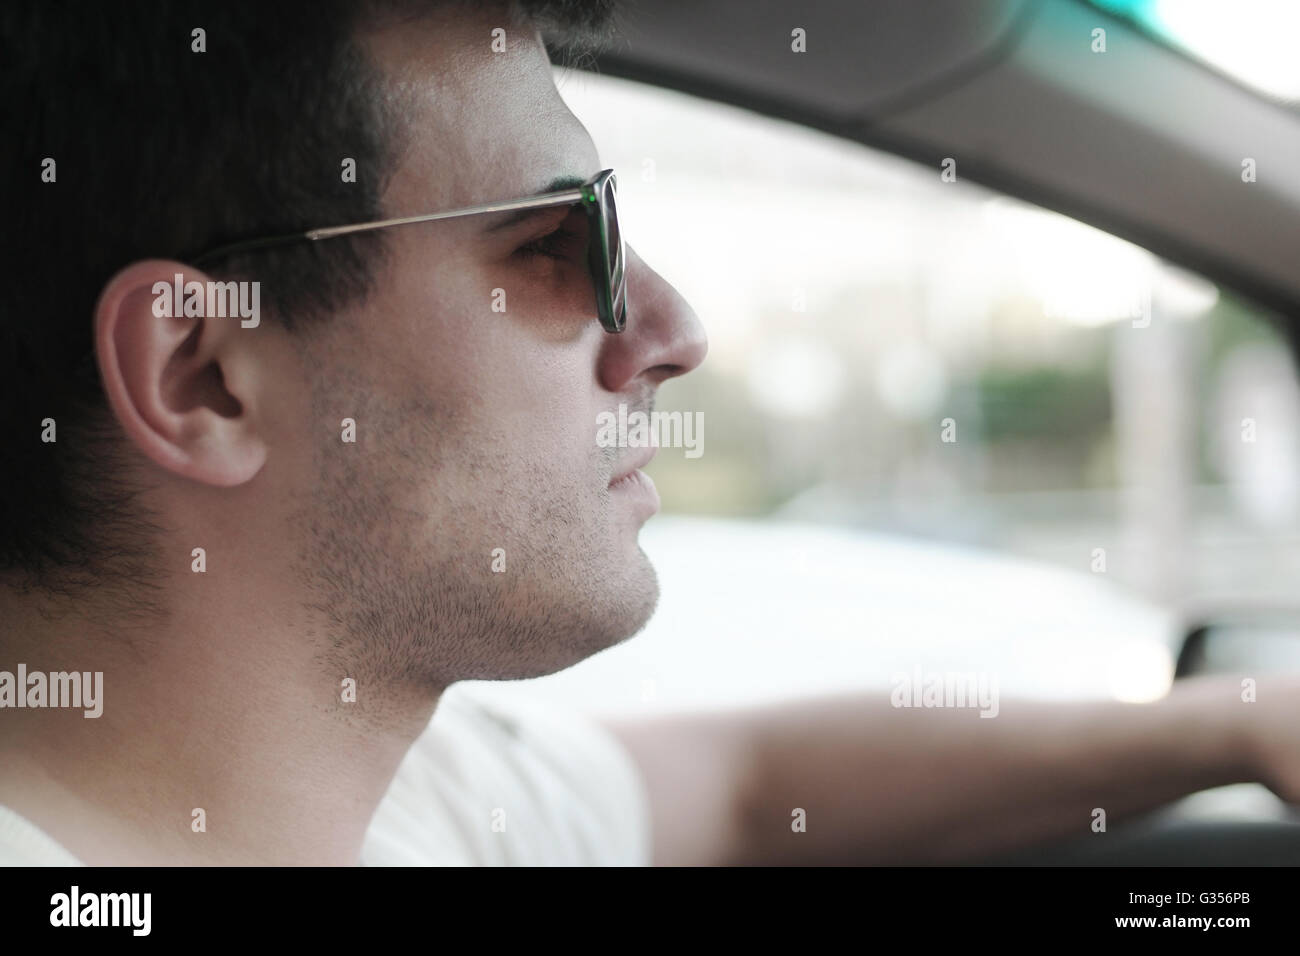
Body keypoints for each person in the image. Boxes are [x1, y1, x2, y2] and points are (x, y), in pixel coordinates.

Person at [1, 0, 1296, 867]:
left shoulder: (408, 799)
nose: (673, 329)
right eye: (556, 244)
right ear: (206, 373)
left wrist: (1234, 723)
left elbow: (743, 780)